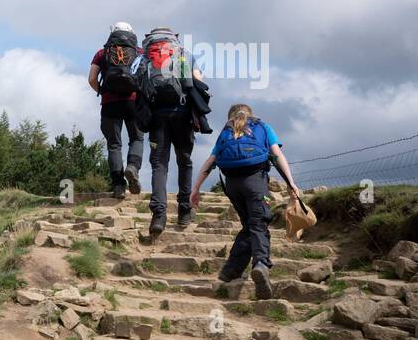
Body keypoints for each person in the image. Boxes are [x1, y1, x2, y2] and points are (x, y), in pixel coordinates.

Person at [188, 104, 300, 300]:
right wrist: (291, 183)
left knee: (249, 225)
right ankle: (261, 265)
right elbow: (277, 154)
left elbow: (210, 161)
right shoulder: (262, 127)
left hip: (232, 184)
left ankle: (231, 270)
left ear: (230, 116)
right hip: (255, 181)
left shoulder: (227, 131)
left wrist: (196, 188)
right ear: (251, 114)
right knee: (259, 223)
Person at [138, 26, 204, 236]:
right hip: (182, 113)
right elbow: (197, 81)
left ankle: (158, 215)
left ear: (150, 39)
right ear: (175, 38)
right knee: (184, 161)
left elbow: (138, 83)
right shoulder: (184, 54)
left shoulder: (147, 57)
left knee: (159, 164)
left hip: (157, 115)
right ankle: (184, 210)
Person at [87, 21, 144, 199]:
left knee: (114, 144)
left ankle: (118, 186)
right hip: (134, 102)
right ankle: (133, 167)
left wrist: (103, 92)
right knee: (136, 138)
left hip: (110, 103)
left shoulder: (102, 53)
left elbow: (91, 79)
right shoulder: (139, 52)